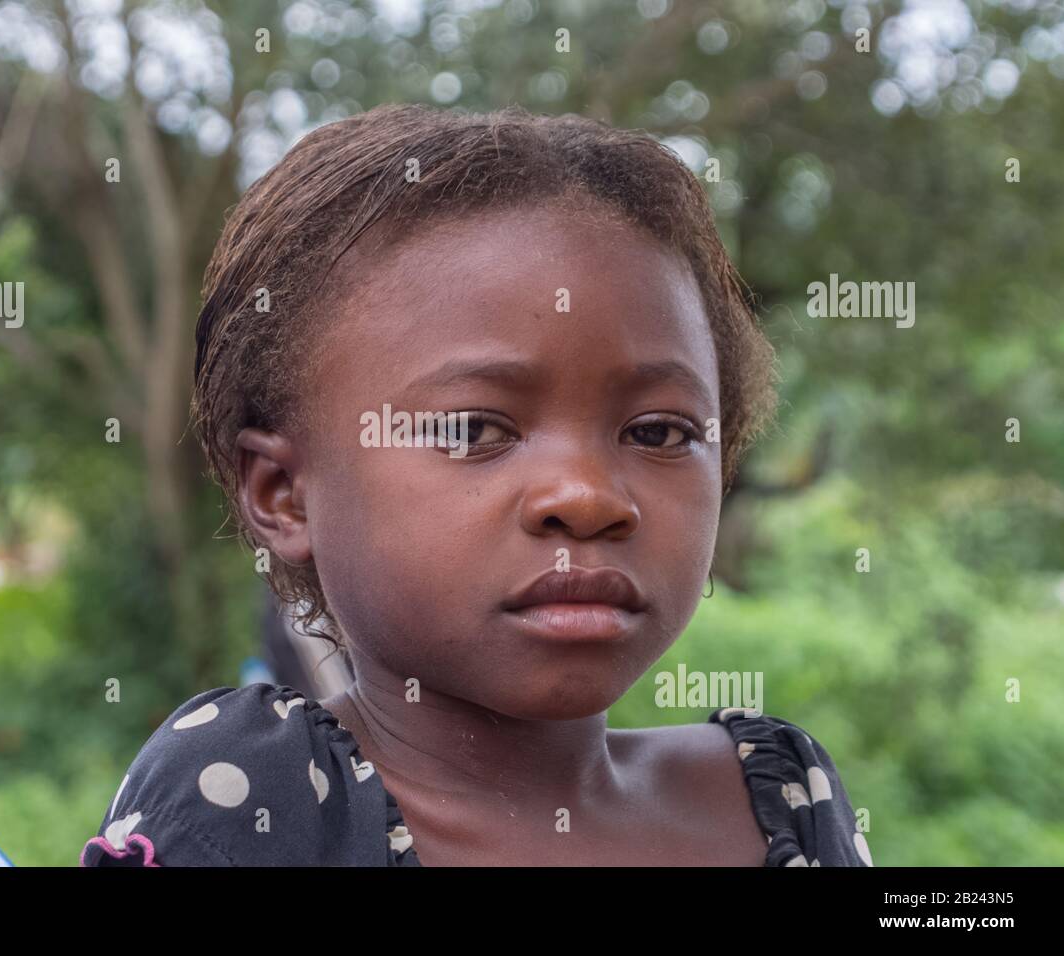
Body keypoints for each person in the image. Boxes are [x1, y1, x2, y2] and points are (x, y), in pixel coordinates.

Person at [80, 103, 873, 867]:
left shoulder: (780, 802)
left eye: (658, 432)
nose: (588, 497)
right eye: (472, 430)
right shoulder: (260, 805)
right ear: (285, 493)